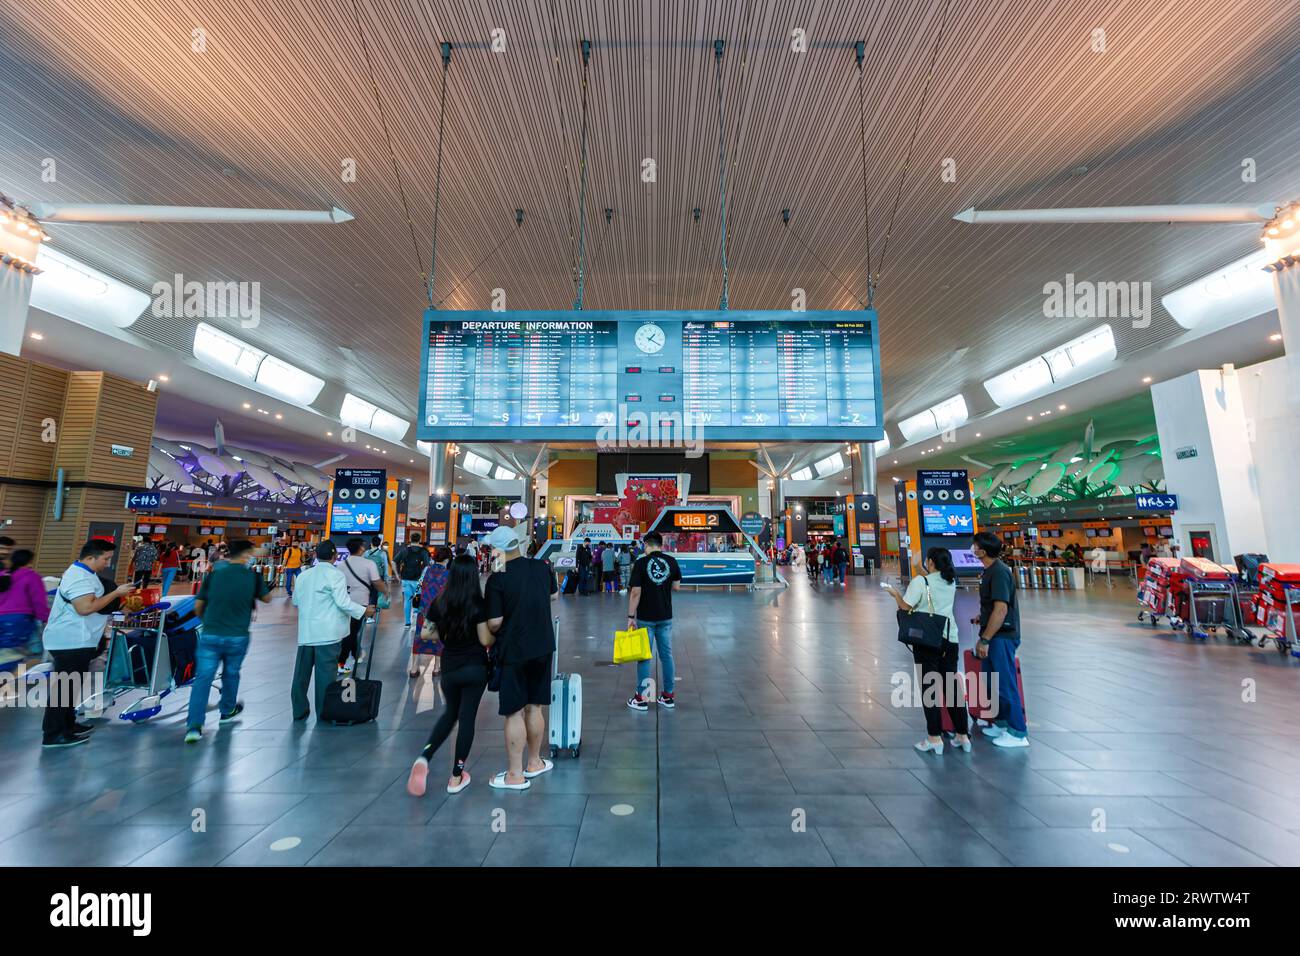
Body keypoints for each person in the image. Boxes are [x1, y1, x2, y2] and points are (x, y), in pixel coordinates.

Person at [407, 555, 493, 797]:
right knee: (467, 720)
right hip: (475, 667)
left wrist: (447, 636)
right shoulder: (478, 604)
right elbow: (485, 640)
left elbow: (426, 634)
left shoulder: (439, 603)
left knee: (450, 714)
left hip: (450, 668)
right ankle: (456, 775)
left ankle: (425, 756)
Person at [483, 524, 557, 790]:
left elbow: (493, 623)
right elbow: (554, 594)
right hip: (543, 645)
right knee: (535, 706)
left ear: (499, 550)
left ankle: (515, 775)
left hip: (513, 650)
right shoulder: (540, 567)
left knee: (513, 711)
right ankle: (535, 762)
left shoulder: (497, 579)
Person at [41, 540, 134, 747]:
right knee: (64, 689)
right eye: (105, 559)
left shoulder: (86, 574)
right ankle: (53, 734)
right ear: (91, 557)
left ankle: (68, 725)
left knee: (71, 687)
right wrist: (116, 593)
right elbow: (85, 608)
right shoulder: (78, 577)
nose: (107, 563)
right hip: (69, 641)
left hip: (79, 640)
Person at [185, 539, 273, 742]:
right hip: (237, 635)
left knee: (203, 678)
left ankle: (194, 726)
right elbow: (267, 599)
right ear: (246, 555)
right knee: (231, 673)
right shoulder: (253, 577)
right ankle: (226, 710)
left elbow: (198, 606)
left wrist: (207, 621)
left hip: (211, 634)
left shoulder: (214, 576)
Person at [884, 548, 968, 754]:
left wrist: (895, 594)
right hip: (950, 639)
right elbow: (928, 580)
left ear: (930, 562)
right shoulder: (950, 581)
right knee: (951, 687)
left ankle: (934, 738)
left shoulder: (920, 583)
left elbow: (906, 606)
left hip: (928, 642)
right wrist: (916, 566)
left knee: (930, 690)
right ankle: (963, 736)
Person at [291, 540, 374, 720]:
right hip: (327, 634)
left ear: (315, 555)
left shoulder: (304, 575)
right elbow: (343, 603)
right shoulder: (335, 575)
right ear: (335, 556)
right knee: (325, 675)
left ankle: (299, 710)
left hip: (306, 633)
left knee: (301, 675)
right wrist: (363, 610)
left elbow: (296, 601)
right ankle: (323, 711)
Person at [971, 531, 1028, 748]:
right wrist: (982, 618)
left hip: (1001, 637)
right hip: (994, 634)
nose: (972, 549)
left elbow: (1001, 609)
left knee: (1006, 684)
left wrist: (985, 639)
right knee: (993, 681)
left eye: (974, 546)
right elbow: (993, 606)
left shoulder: (999, 573)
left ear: (983, 551)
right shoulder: (989, 571)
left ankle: (1018, 731)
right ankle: (1002, 723)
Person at [626, 530, 682, 711]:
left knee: (644, 656)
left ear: (646, 545)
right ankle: (668, 696)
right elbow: (677, 586)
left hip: (646, 617)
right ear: (661, 545)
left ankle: (640, 698)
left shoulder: (641, 563)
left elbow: (635, 592)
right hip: (665, 616)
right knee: (667, 656)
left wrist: (630, 617)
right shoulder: (671, 561)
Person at [338, 536, 381, 674]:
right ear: (361, 548)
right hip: (360, 604)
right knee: (351, 633)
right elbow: (376, 582)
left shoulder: (341, 565)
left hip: (344, 603)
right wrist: (385, 591)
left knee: (350, 631)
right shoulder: (368, 564)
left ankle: (356, 654)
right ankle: (341, 661)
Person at [0, 549, 50, 661]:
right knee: (25, 656)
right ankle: (15, 677)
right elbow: (39, 602)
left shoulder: (2, 575)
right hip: (20, 621)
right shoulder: (32, 576)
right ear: (29, 562)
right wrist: (46, 618)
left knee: (4, 654)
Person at [411, 545, 451, 677]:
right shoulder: (448, 574)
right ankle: (436, 668)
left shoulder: (426, 570)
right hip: (440, 611)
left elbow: (419, 586)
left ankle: (414, 668)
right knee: (439, 638)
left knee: (419, 636)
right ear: (447, 559)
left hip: (424, 610)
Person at [394, 533, 431, 627]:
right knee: (418, 599)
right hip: (418, 579)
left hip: (406, 578)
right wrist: (424, 578)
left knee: (407, 600)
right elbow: (427, 566)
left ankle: (407, 622)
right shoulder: (423, 551)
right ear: (420, 539)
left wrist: (397, 575)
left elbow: (393, 561)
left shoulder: (405, 550)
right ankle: (416, 618)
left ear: (410, 539)